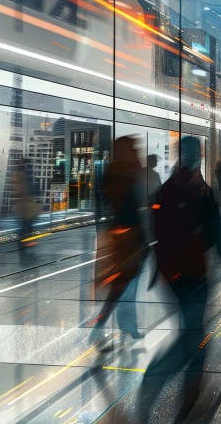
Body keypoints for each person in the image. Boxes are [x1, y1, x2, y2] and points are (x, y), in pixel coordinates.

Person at [140, 136, 221, 420]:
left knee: (192, 334)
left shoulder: (166, 190)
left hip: (173, 276)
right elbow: (217, 234)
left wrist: (161, 266)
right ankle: (162, 384)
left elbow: (156, 232)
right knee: (194, 340)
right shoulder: (201, 191)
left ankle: (182, 394)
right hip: (194, 275)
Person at [90, 136, 147, 348]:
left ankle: (123, 326)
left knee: (123, 285)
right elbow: (129, 207)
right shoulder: (124, 175)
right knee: (123, 285)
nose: (137, 150)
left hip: (122, 236)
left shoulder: (112, 173)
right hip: (128, 238)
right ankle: (103, 327)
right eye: (133, 148)